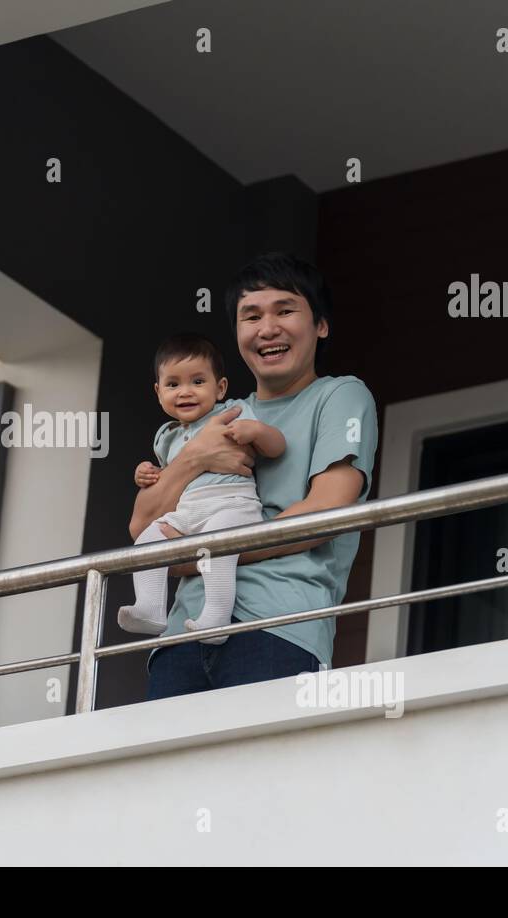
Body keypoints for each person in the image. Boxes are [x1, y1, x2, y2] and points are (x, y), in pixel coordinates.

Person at [128, 252, 378, 700]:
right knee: (173, 772)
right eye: (251, 316)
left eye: (285, 310)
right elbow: (142, 529)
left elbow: (326, 511)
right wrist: (194, 458)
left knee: (261, 771)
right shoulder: (216, 414)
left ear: (320, 325)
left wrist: (205, 553)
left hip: (280, 627)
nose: (267, 328)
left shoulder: (340, 396)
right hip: (182, 632)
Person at [118, 333, 287, 636]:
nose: (185, 392)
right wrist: (145, 472)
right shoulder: (166, 436)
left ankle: (217, 617)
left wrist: (257, 431)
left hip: (231, 506)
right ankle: (150, 607)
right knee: (147, 539)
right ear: (158, 392)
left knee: (215, 548)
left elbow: (278, 447)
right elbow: (169, 477)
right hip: (189, 511)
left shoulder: (232, 412)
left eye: (197, 382)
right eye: (173, 384)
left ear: (220, 388)